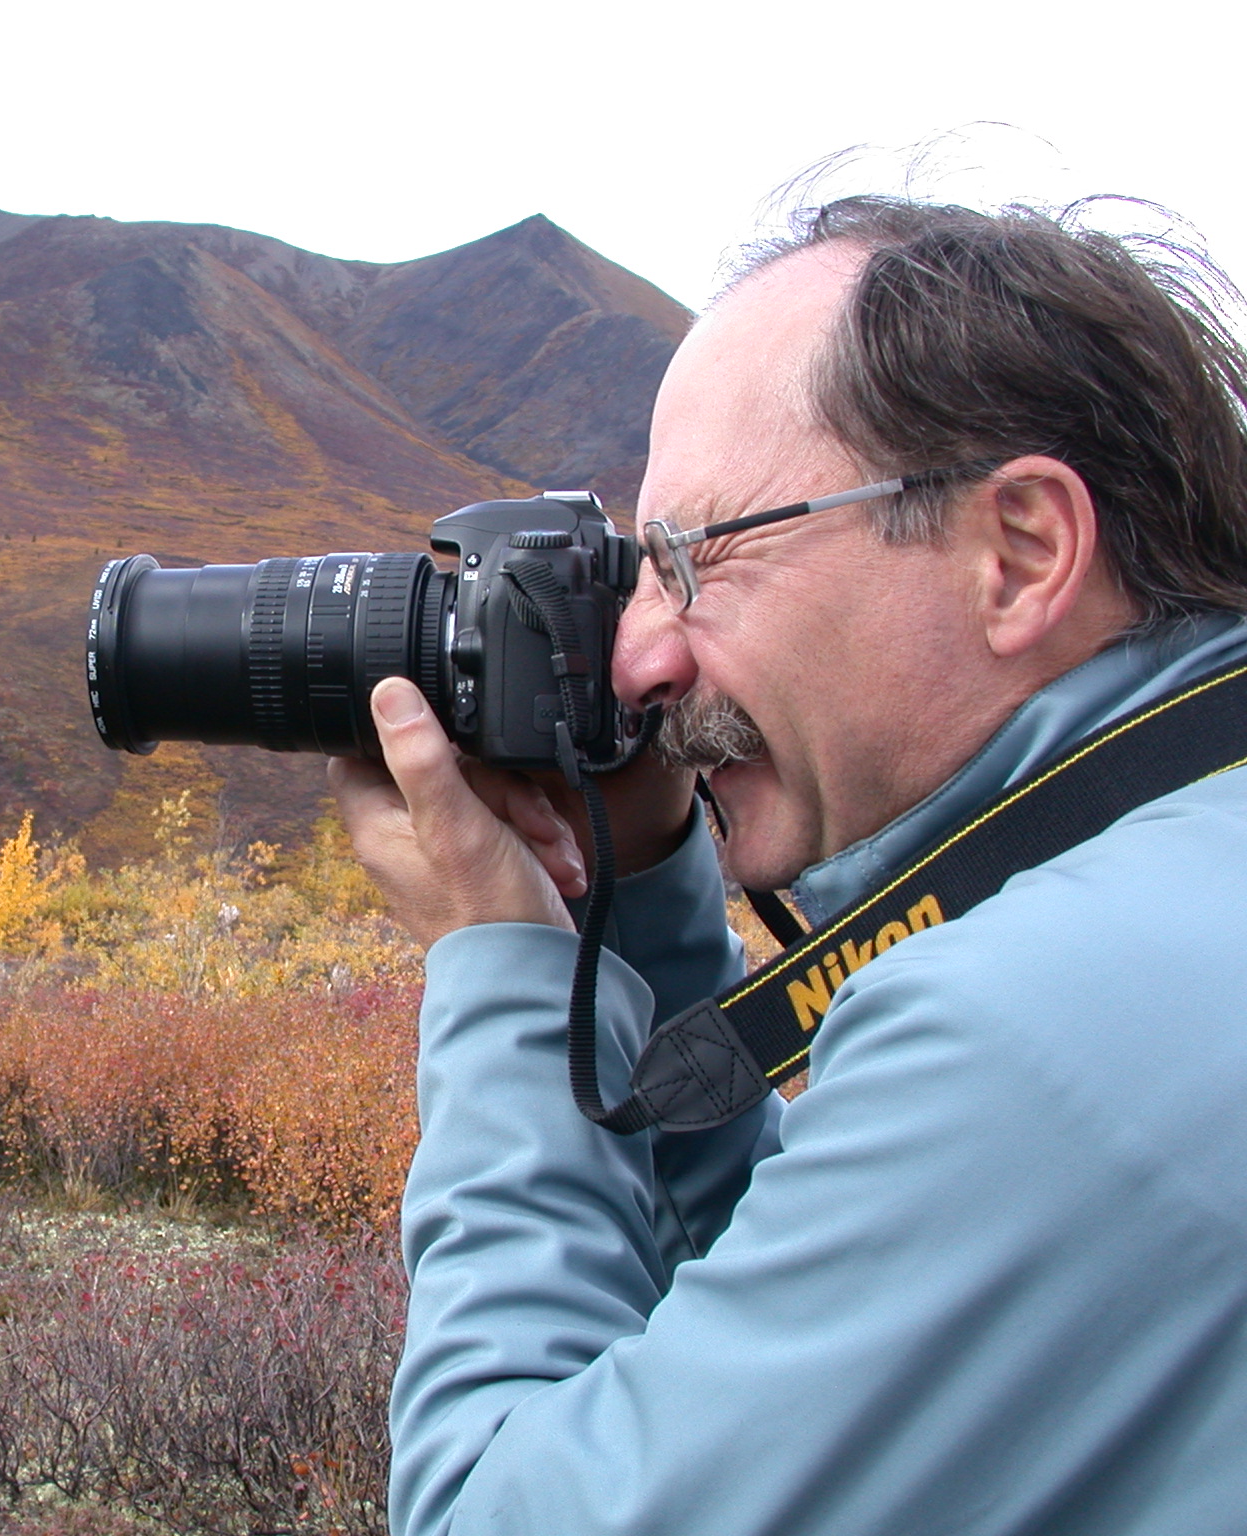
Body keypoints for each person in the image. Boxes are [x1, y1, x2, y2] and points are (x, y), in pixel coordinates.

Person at [329, 197, 1247, 1536]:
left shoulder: (1033, 1024)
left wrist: (509, 970)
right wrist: (645, 890)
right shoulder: (1174, 884)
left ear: (1020, 553)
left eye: (697, 560)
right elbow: (799, 1319)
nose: (638, 659)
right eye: (640, 574)